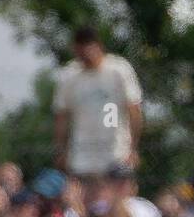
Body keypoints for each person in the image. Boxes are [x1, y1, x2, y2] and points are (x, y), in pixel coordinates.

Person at [53, 26, 144, 177]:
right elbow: (61, 116)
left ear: (98, 46)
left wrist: (133, 149)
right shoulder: (69, 75)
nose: (85, 56)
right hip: (82, 153)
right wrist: (61, 151)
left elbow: (134, 110)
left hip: (115, 151)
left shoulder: (118, 70)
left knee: (114, 195)